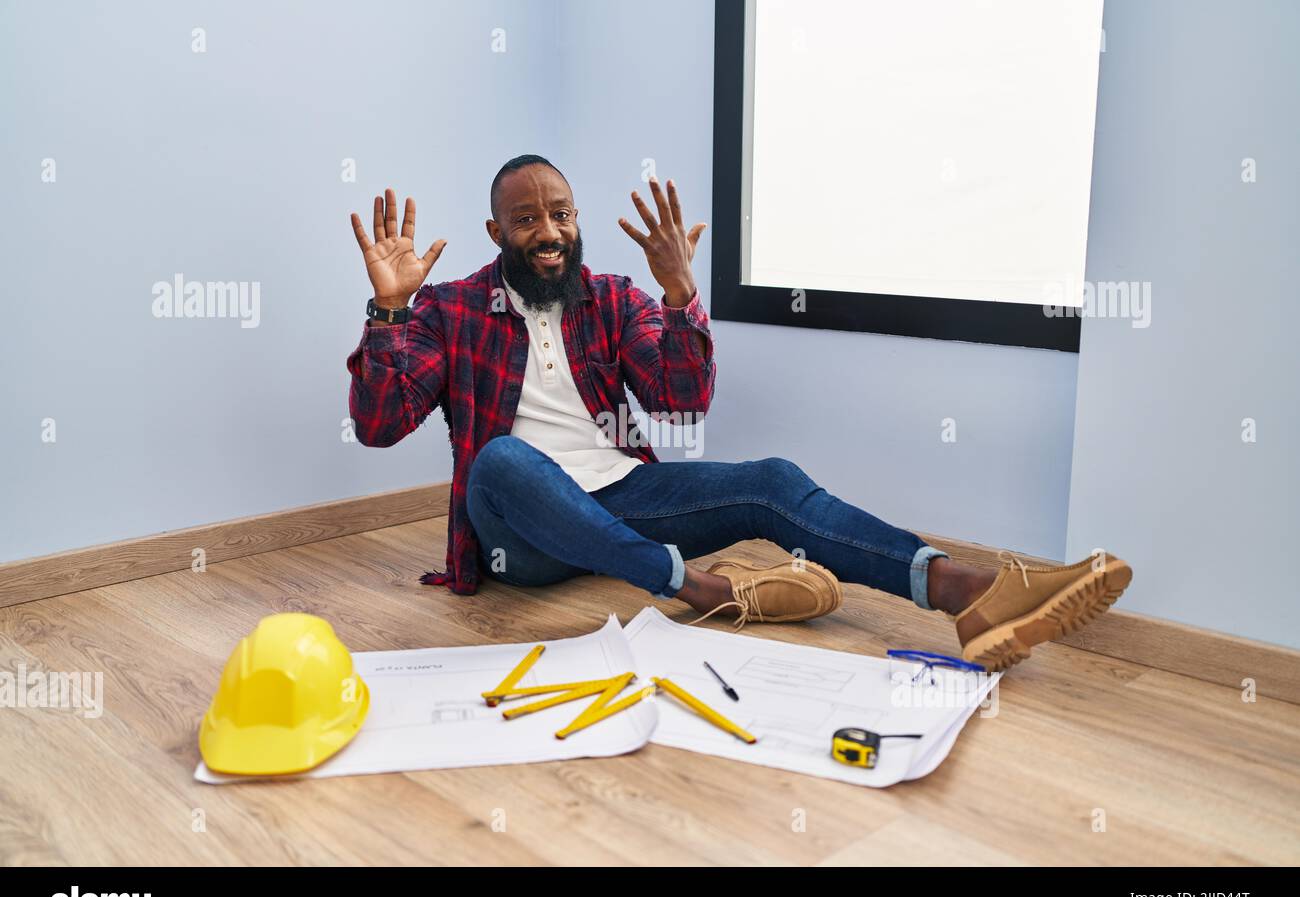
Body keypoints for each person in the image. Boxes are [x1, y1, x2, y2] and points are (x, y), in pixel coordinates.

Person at [345, 155, 1131, 671]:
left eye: (561, 213)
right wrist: (387, 311)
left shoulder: (612, 297)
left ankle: (964, 591)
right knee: (502, 459)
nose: (549, 232)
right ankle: (701, 592)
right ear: (498, 233)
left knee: (771, 478)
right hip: (522, 534)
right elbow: (380, 424)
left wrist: (681, 298)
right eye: (527, 220)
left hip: (620, 496)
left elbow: (681, 404)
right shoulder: (447, 308)